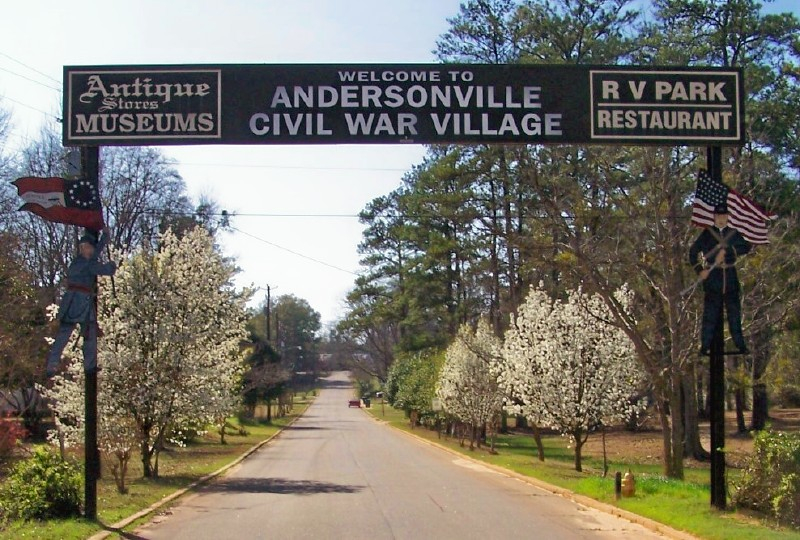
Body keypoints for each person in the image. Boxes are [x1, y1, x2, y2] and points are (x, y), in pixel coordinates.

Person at [46, 227, 116, 377]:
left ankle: (54, 364)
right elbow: (106, 270)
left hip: (73, 301)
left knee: (73, 335)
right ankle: (86, 366)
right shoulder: (87, 264)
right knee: (85, 333)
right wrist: (111, 265)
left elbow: (95, 255)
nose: (88, 250)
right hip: (81, 302)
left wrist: (105, 237)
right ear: (84, 249)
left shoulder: (79, 262)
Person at [688, 204, 751, 355]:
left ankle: (740, 345)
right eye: (718, 216)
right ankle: (705, 346)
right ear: (714, 217)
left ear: (727, 217)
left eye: (724, 216)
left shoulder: (733, 233)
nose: (721, 219)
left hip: (730, 276)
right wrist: (700, 270)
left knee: (734, 314)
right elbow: (693, 252)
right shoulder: (707, 234)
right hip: (713, 277)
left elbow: (746, 247)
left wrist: (730, 250)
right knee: (710, 315)